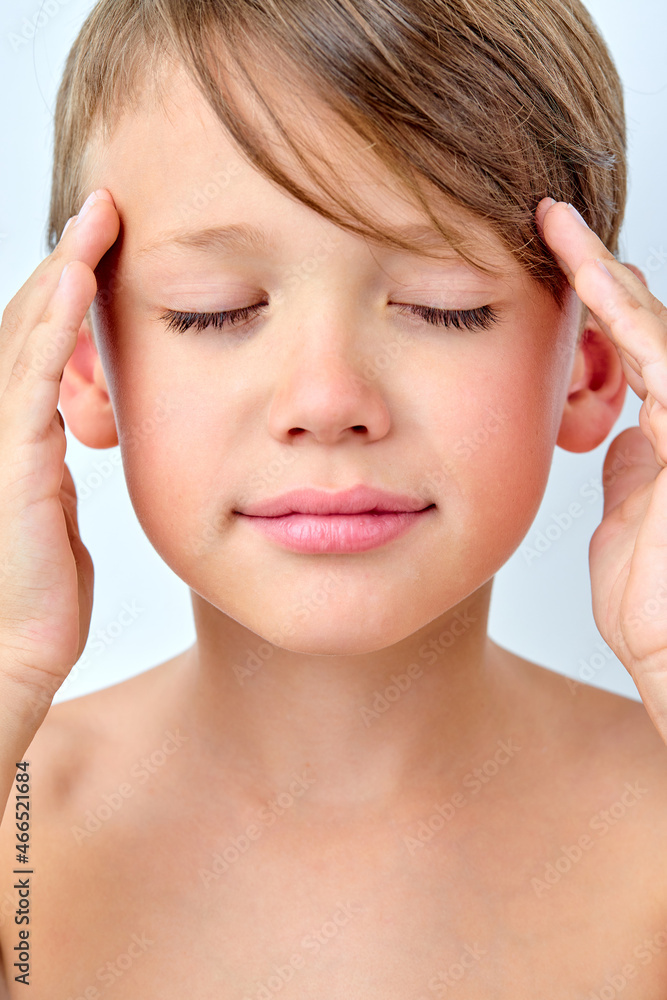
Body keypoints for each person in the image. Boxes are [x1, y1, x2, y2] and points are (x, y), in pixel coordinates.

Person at [1, 0, 667, 995]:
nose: (325, 399)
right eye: (212, 310)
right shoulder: (18, 821)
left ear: (590, 363)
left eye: (445, 305)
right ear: (85, 367)